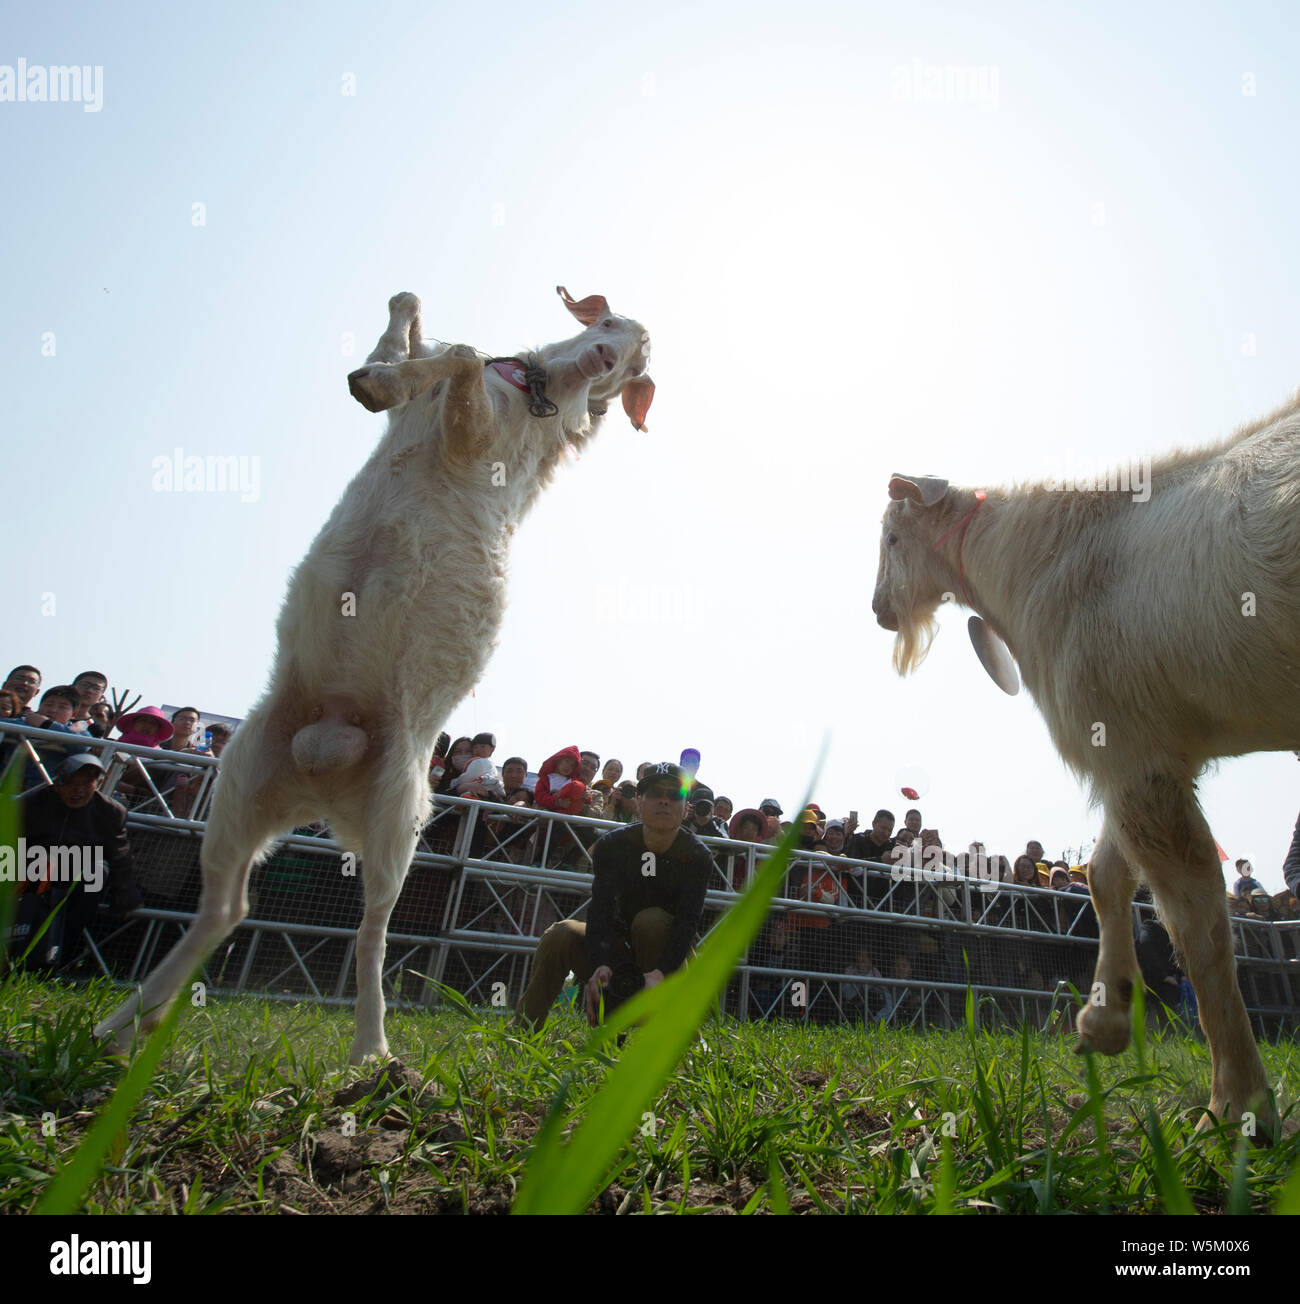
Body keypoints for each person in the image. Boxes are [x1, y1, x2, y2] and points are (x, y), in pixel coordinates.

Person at [516, 762, 712, 1029]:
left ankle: (678, 1032)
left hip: (670, 960)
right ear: (640, 802)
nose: (664, 801)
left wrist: (660, 973)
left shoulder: (698, 855)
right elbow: (600, 910)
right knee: (560, 933)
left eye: (674, 794)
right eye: (655, 793)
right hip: (618, 948)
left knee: (651, 920)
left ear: (686, 806)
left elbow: (688, 921)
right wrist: (600, 964)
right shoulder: (612, 846)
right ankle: (522, 1031)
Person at [11, 753, 142, 971]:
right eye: (72, 783)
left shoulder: (111, 811)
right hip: (33, 867)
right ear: (58, 783)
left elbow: (120, 854)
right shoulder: (32, 802)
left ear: (98, 784)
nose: (79, 790)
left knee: (96, 875)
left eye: (87, 783)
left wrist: (126, 891)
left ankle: (57, 962)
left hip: (79, 873)